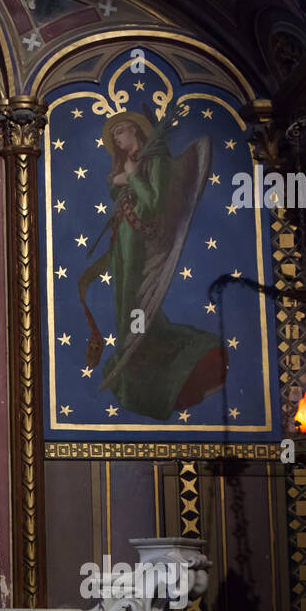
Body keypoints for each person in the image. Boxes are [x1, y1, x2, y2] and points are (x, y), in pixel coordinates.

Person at [78, 108, 225, 419]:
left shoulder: (155, 160)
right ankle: (133, 365)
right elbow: (117, 189)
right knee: (124, 305)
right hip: (123, 246)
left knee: (136, 306)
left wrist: (132, 177)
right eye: (114, 135)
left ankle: (144, 363)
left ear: (137, 131)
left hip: (141, 248)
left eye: (121, 132)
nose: (117, 139)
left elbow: (154, 205)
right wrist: (124, 177)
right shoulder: (134, 162)